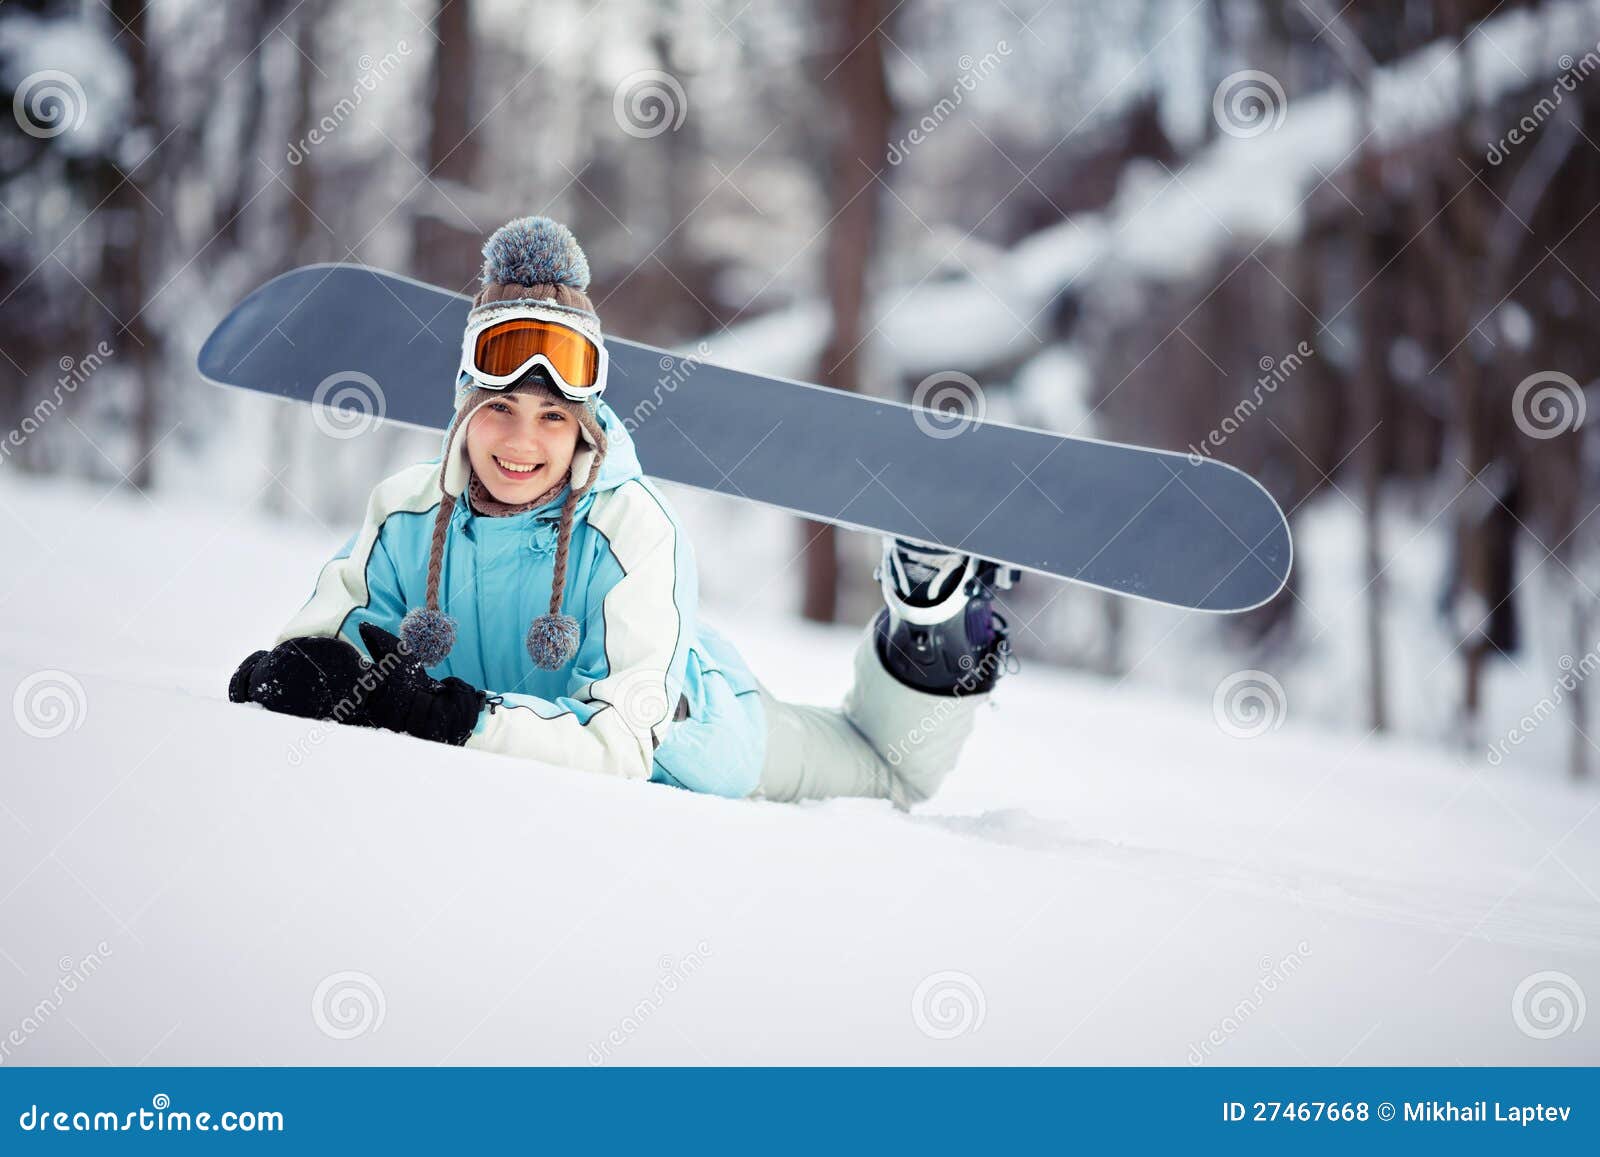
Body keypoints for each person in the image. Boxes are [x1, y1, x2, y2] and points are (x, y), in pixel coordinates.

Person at [228, 216, 1016, 807]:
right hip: (551, 702)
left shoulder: (636, 527)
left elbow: (617, 748)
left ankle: (933, 620)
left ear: (585, 425)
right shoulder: (405, 512)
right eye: (500, 408)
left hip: (689, 726)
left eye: (552, 417)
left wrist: (455, 718)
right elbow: (334, 632)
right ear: (464, 409)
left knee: (888, 771)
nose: (521, 443)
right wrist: (306, 671)